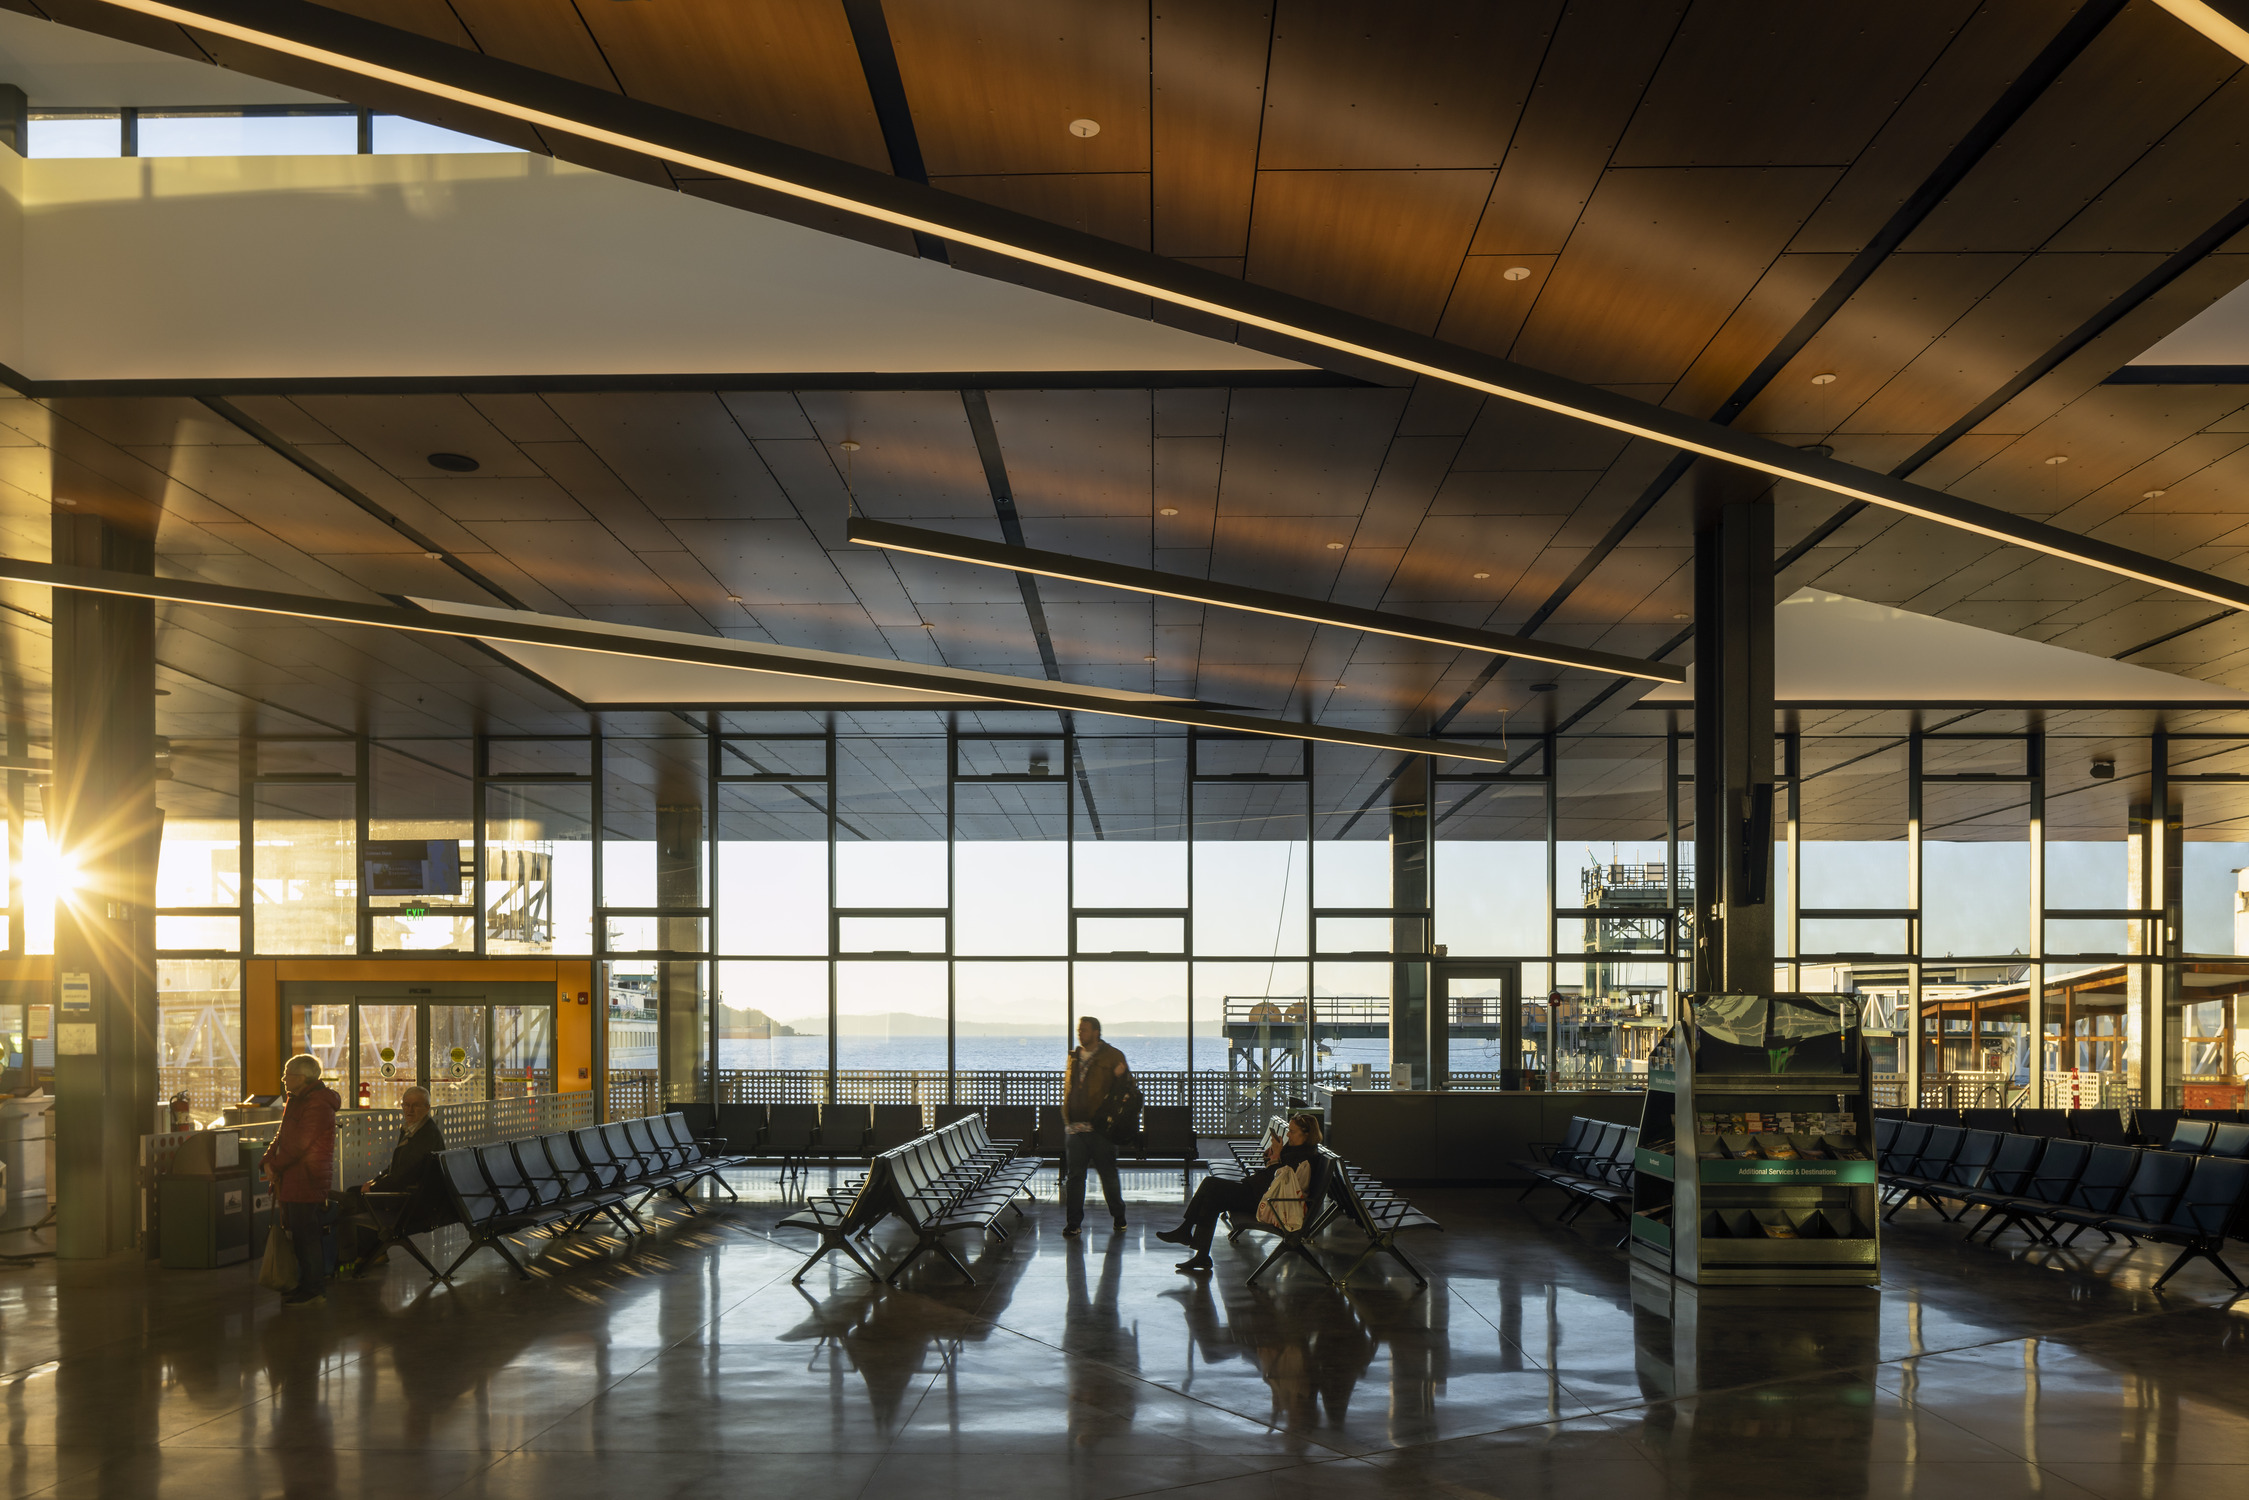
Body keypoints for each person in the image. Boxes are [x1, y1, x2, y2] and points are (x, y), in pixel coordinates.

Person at [1158, 1112, 1323, 1274]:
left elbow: (1283, 1185)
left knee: (1210, 1185)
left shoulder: (1305, 1159)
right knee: (1211, 1199)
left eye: (1293, 1131)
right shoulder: (1294, 1149)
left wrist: (1277, 1157)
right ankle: (1200, 1254)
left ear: (1306, 1134)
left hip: (1268, 1202)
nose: (1288, 1134)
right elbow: (1274, 1173)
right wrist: (1272, 1156)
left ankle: (1186, 1231)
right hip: (1259, 1192)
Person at [261, 1053, 341, 1307]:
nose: (283, 1079)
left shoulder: (317, 1103)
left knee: (308, 1237)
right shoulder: (297, 1100)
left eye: (288, 1074)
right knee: (299, 1235)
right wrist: (267, 1159)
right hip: (295, 1178)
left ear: (303, 1077)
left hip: (307, 1178)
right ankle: (303, 1285)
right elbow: (283, 1135)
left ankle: (314, 1288)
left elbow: (299, 1144)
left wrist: (274, 1165)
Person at [340, 1085, 446, 1277]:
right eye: (406, 1105)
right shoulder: (415, 1129)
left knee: (355, 1196)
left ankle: (365, 1254)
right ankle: (374, 1251)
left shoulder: (423, 1136)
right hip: (415, 1195)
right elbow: (397, 1169)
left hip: (413, 1201)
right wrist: (375, 1181)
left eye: (415, 1105)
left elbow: (404, 1174)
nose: (409, 1110)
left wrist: (374, 1187)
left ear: (428, 1108)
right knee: (359, 1192)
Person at [1060, 1015, 1133, 1237]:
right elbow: (1070, 1088)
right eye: (1079, 1029)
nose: (1080, 1033)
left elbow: (1128, 1088)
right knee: (1075, 1178)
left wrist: (1120, 1077)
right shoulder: (1074, 1056)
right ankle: (1074, 1223)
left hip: (1102, 1130)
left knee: (1108, 1175)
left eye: (1084, 1030)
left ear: (1096, 1032)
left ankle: (1119, 1216)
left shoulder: (1113, 1056)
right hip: (1075, 1129)